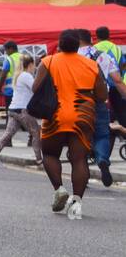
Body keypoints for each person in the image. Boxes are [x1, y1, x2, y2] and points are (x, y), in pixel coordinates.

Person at [33, 29, 107, 220]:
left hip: (55, 115)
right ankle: (77, 203)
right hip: (82, 116)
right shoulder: (91, 65)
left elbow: (35, 88)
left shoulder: (48, 61)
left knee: (49, 153)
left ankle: (59, 189)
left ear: (59, 44)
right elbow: (102, 96)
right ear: (78, 45)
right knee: (79, 160)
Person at [76, 29, 119, 187]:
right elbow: (117, 80)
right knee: (102, 135)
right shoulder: (104, 55)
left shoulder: (72, 55)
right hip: (100, 101)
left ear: (78, 40)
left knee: (80, 136)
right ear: (91, 39)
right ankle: (102, 160)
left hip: (78, 102)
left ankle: (82, 171)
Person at [0, 54, 39, 166]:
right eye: (34, 66)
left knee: (8, 134)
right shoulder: (26, 75)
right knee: (36, 132)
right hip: (23, 109)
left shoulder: (18, 75)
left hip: (13, 109)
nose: (35, 68)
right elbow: (35, 88)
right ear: (30, 65)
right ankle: (39, 160)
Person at [0, 40, 21, 112]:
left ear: (11, 49)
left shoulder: (9, 59)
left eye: (6, 50)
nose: (6, 52)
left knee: (10, 114)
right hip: (22, 91)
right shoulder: (24, 57)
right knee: (22, 115)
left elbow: (3, 75)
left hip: (10, 91)